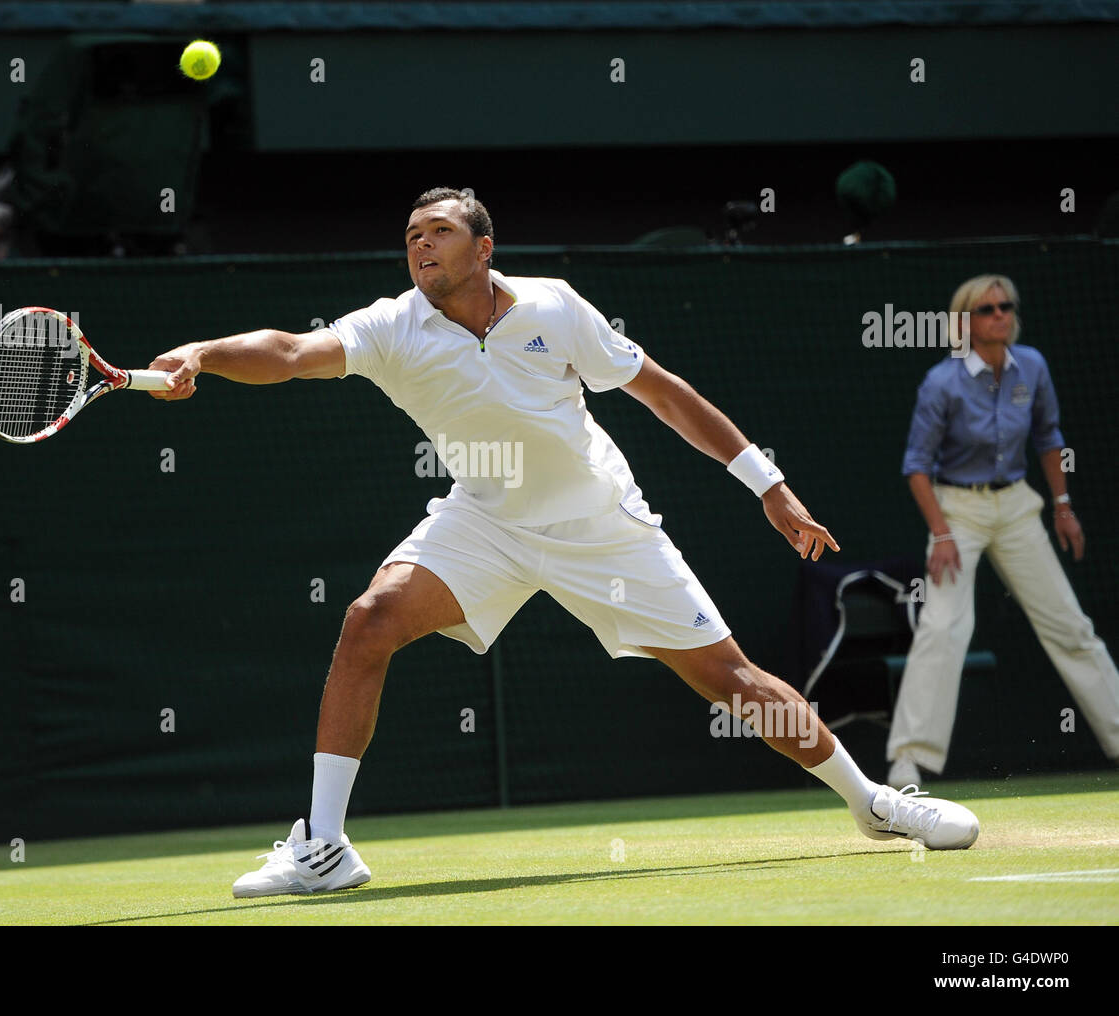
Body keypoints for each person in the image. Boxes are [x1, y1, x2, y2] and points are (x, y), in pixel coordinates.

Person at [148, 188, 980, 898]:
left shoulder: (554, 306)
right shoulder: (391, 326)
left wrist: (767, 484)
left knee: (730, 680)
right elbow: (292, 353)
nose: (420, 246)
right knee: (369, 619)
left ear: (484, 248)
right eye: (410, 237)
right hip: (485, 520)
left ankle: (871, 802)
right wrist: (202, 354)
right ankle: (323, 844)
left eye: (438, 232)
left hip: (601, 527)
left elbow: (663, 392)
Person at [889, 275, 1119, 789]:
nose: (1001, 315)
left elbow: (1047, 436)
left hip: (1016, 506)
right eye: (988, 309)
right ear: (965, 322)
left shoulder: (1031, 366)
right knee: (945, 626)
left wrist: (1062, 506)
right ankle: (909, 758)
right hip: (957, 512)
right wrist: (942, 534)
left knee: (1070, 624)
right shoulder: (941, 383)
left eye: (1006, 307)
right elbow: (916, 467)